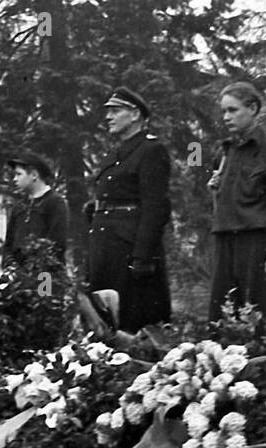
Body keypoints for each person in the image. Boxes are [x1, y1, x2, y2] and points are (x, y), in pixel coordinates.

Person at [207, 81, 266, 319]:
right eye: (224, 112)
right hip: (225, 243)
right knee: (222, 317)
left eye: (233, 110)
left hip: (256, 244)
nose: (226, 117)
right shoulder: (224, 153)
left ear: (252, 108)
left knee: (259, 317)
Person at [85, 87, 173, 332]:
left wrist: (142, 256)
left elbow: (155, 207)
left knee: (132, 322)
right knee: (103, 322)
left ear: (135, 115)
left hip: (130, 250)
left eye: (115, 110)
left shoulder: (151, 150)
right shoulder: (115, 154)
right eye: (108, 111)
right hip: (105, 248)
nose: (108, 117)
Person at [2, 150, 69, 265]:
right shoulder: (19, 207)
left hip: (46, 275)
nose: (15, 179)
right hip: (18, 275)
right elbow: (9, 244)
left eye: (19, 174)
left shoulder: (55, 203)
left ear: (33, 175)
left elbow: (56, 244)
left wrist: (35, 267)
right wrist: (10, 265)